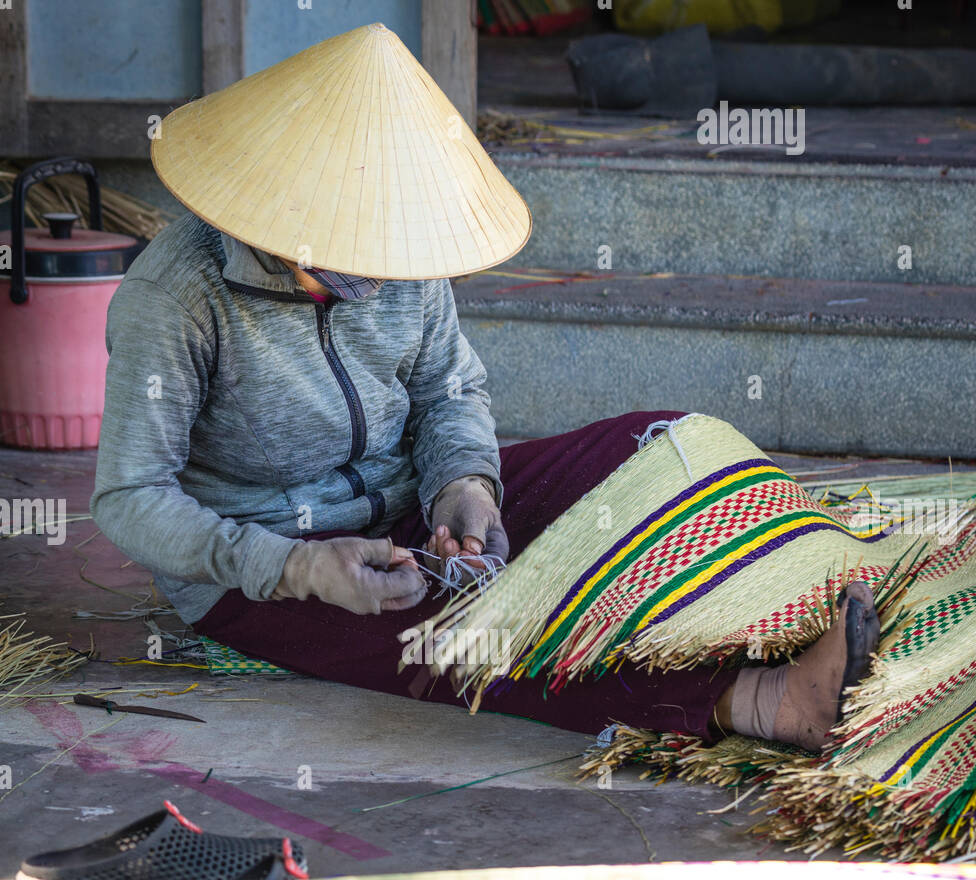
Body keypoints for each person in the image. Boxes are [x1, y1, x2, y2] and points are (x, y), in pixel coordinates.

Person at [92, 24, 878, 756]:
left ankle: (778, 590)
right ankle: (764, 696)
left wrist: (466, 488)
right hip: (259, 569)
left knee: (658, 442)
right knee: (486, 629)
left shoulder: (400, 249)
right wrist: (298, 569)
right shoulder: (176, 298)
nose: (381, 276)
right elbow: (130, 497)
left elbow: (448, 391)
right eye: (353, 253)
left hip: (407, 509)